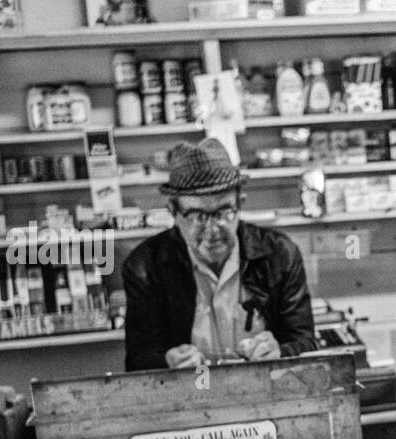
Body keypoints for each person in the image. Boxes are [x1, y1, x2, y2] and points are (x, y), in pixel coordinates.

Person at [123, 138, 317, 371]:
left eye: (223, 212)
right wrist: (166, 361)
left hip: (266, 393)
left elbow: (306, 345)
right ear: (173, 212)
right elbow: (138, 360)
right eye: (196, 215)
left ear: (240, 204)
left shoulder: (279, 255)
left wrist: (281, 352)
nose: (212, 230)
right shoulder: (145, 267)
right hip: (190, 396)